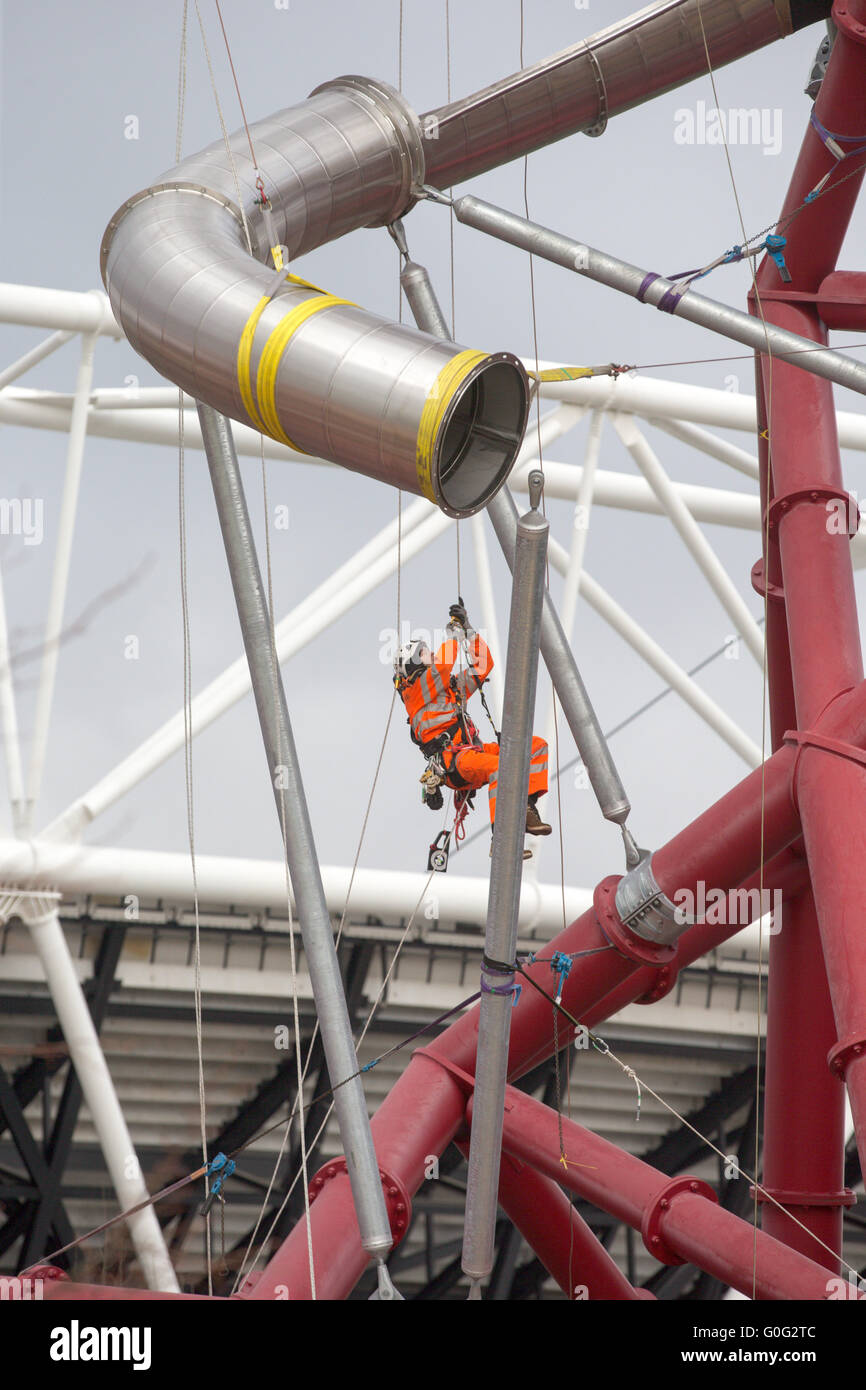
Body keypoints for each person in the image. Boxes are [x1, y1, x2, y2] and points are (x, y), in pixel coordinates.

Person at [394, 598, 551, 841]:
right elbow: (443, 665)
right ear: (415, 664)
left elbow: (484, 665)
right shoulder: (416, 692)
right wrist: (455, 634)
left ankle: (527, 806)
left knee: (537, 746)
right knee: (503, 768)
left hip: (471, 753)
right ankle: (502, 835)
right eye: (425, 653)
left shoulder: (447, 688)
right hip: (455, 761)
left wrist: (469, 632)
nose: (432, 654)